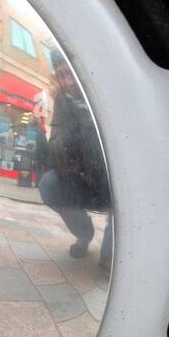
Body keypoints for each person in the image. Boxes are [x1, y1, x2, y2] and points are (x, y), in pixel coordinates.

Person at [37, 51, 110, 263]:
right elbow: (55, 144)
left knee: (110, 261)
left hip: (114, 185)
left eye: (72, 73)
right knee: (49, 184)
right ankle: (84, 234)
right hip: (84, 179)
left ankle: (111, 249)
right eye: (62, 75)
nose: (68, 81)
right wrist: (71, 130)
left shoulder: (104, 92)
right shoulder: (62, 102)